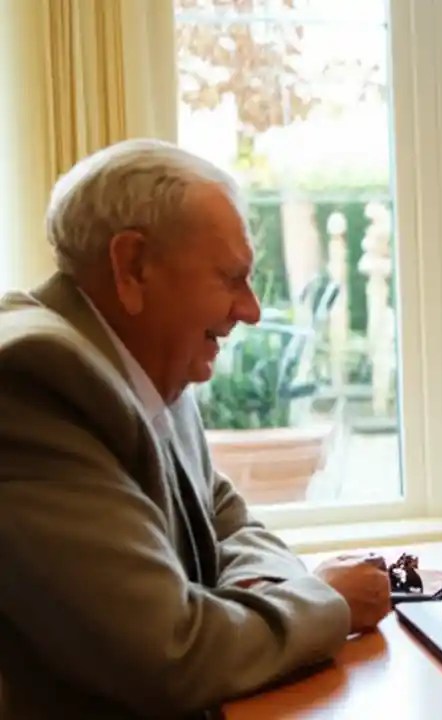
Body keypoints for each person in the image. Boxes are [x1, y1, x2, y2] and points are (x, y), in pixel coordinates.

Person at [0, 139, 392, 718]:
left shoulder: (142, 362)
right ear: (133, 266)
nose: (251, 310)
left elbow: (229, 523)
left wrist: (262, 597)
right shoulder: (35, 377)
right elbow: (170, 653)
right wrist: (325, 601)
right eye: (231, 278)